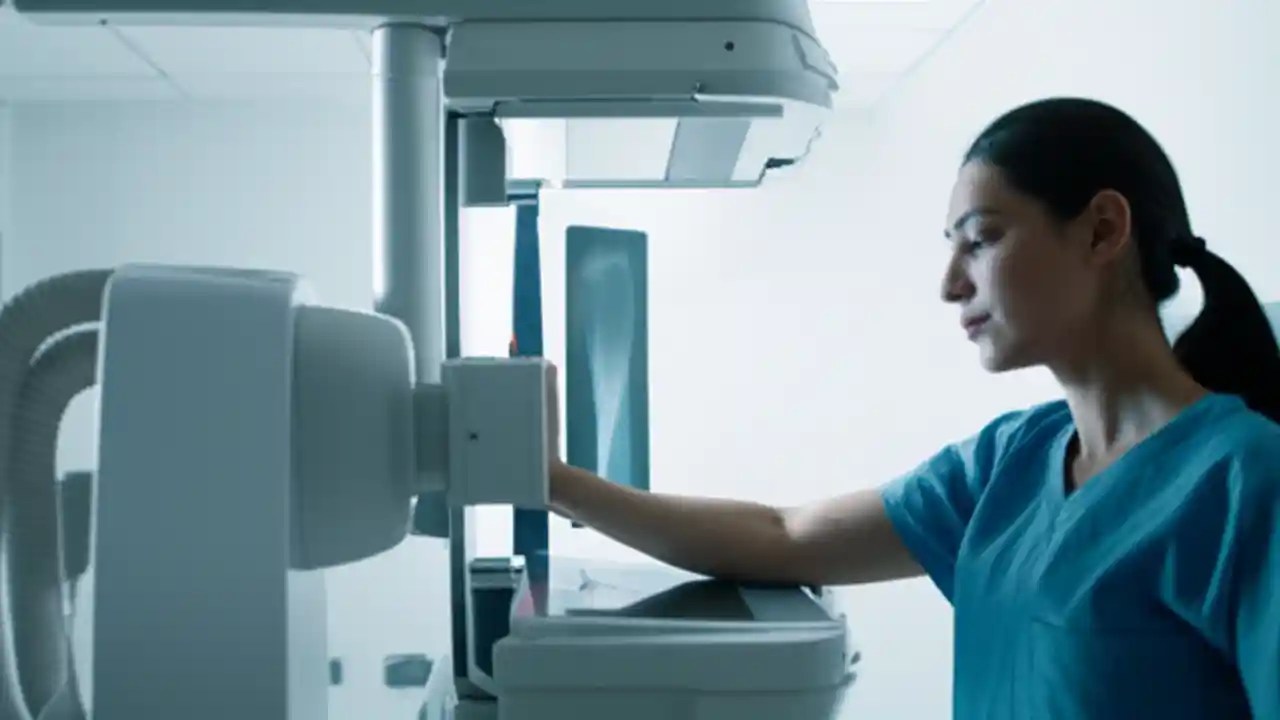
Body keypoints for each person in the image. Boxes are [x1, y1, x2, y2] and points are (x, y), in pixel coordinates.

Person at [543, 97, 1280, 719]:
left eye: (981, 241)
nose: (951, 285)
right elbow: (783, 535)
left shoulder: (1248, 483)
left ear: (1102, 230)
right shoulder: (1008, 463)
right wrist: (553, 481)